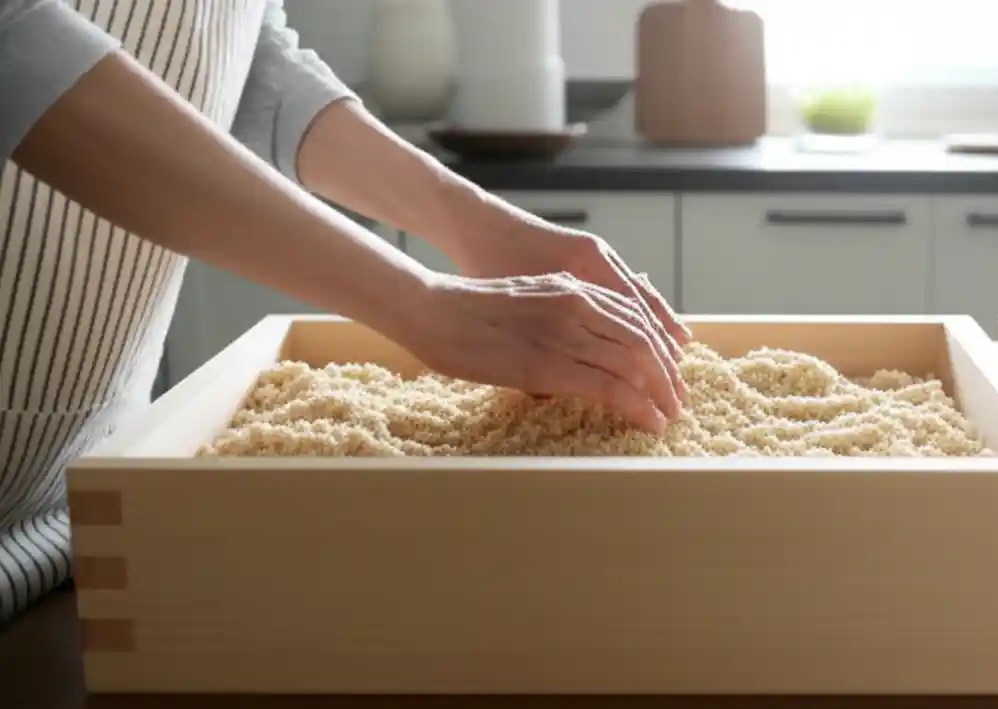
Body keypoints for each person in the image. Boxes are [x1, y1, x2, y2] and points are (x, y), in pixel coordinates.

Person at [0, 0, 690, 625]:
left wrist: (477, 225)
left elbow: (239, 58)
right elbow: (17, 38)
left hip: (85, 510)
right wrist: (425, 305)